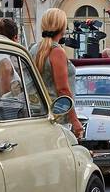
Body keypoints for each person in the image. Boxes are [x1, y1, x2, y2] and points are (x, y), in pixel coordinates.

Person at [29, 8, 84, 142]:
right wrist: (75, 120)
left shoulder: (34, 49)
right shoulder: (57, 51)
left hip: (37, 111)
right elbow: (63, 90)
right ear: (62, 27)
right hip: (57, 115)